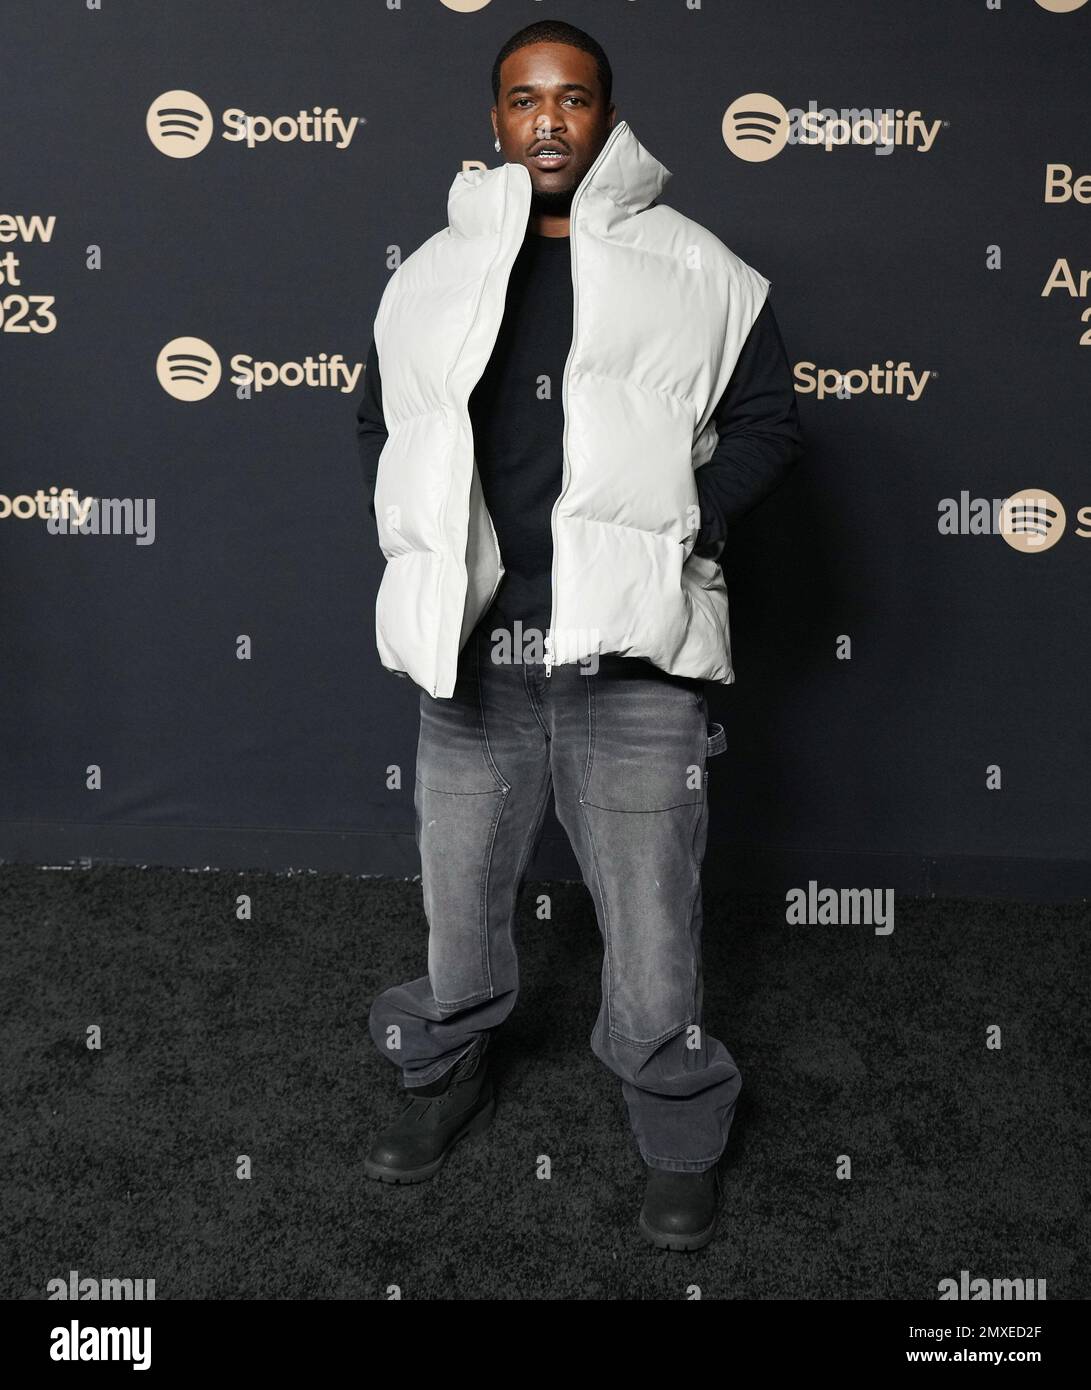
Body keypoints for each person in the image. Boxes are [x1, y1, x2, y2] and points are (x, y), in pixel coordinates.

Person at [355, 19, 803, 1252]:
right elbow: (379, 427)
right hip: (475, 656)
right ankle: (445, 1064)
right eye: (521, 99)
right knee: (457, 907)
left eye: (571, 98)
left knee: (653, 928)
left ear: (605, 115)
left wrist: (675, 533)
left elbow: (768, 422)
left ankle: (675, 1128)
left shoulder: (698, 268)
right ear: (493, 119)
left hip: (628, 656)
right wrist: (422, 547)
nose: (546, 120)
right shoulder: (433, 274)